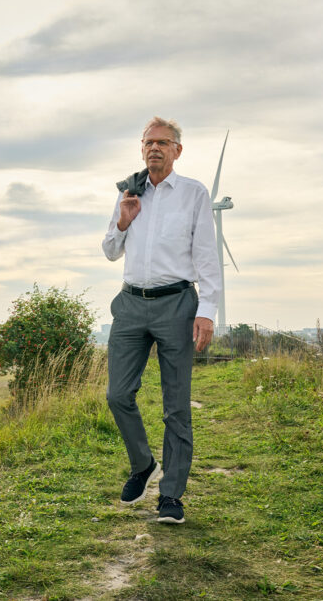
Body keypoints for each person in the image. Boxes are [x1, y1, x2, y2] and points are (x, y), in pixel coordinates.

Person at [101, 116, 222, 524]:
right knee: (117, 395)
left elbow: (207, 254)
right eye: (148, 142)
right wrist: (124, 217)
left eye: (163, 143)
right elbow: (109, 250)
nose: (154, 148)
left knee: (176, 407)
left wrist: (207, 310)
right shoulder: (127, 192)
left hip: (177, 304)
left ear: (177, 150)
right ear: (141, 148)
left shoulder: (193, 193)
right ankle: (142, 463)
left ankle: (171, 495)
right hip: (131, 304)